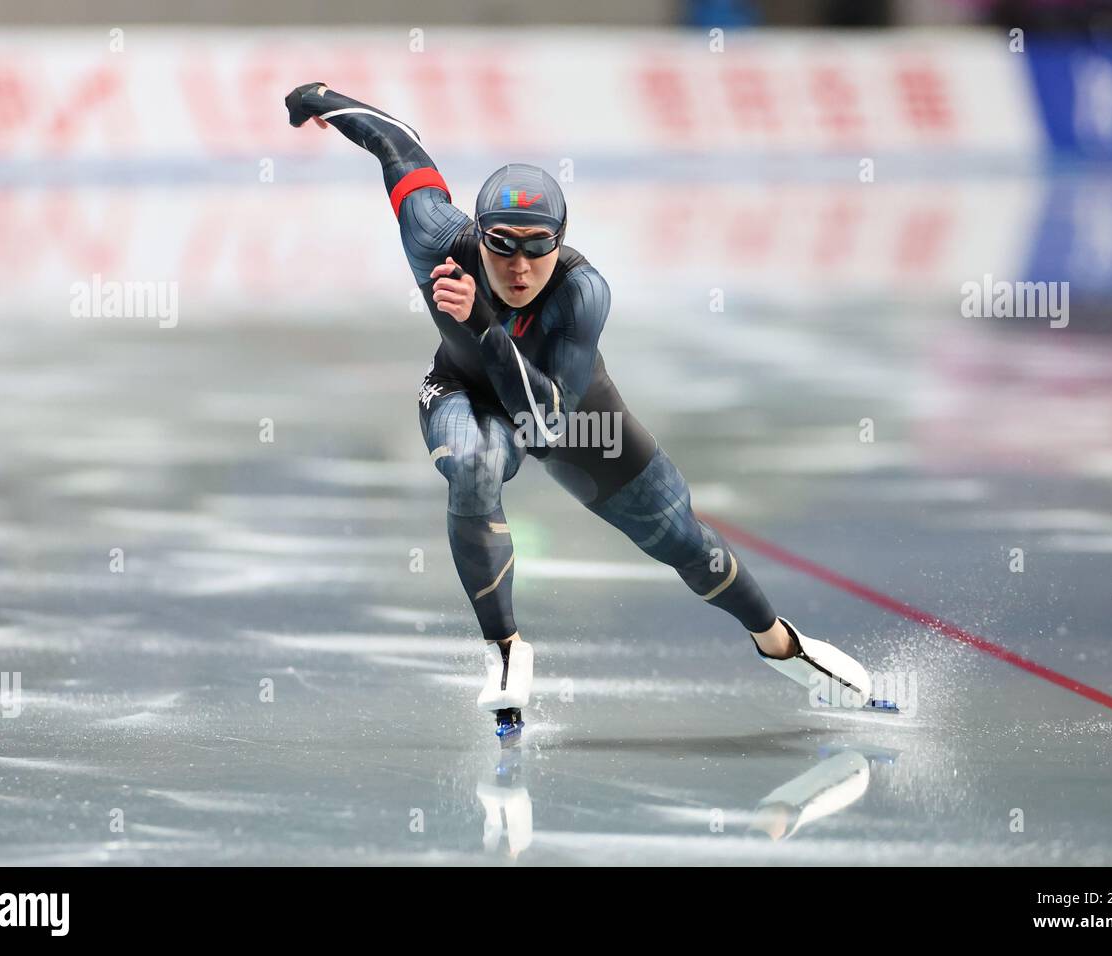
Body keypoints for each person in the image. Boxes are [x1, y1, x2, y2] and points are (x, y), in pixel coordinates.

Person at [285, 83, 873, 745]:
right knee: (472, 468)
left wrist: (479, 320)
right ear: (475, 235)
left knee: (686, 544)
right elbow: (396, 143)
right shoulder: (434, 236)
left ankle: (781, 644)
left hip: (570, 412)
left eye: (539, 247)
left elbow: (542, 421)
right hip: (466, 395)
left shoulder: (582, 294)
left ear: (561, 243)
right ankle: (506, 648)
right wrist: (323, 100)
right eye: (502, 244)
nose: (519, 264)